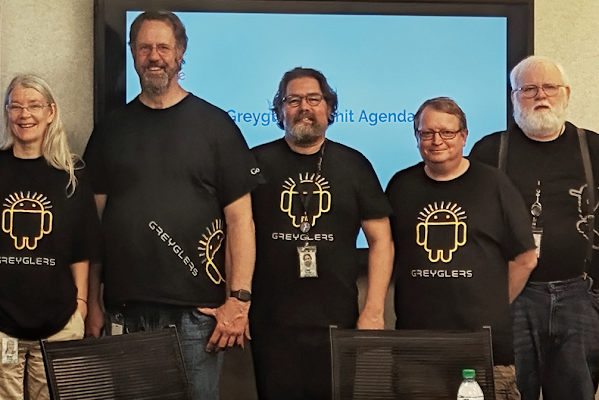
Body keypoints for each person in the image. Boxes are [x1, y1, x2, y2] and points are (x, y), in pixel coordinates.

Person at [83, 11, 260, 400]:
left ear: (180, 53)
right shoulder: (111, 129)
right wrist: (92, 302)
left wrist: (239, 300)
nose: (154, 56)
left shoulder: (217, 126)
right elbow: (92, 228)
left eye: (163, 46)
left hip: (198, 316)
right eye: (144, 47)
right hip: (126, 313)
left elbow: (241, 221)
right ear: (132, 54)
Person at [249, 67, 394, 399]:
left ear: (329, 108)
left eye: (314, 98)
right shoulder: (255, 163)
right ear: (279, 110)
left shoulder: (355, 165)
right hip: (271, 323)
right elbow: (235, 234)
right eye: (293, 99)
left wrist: (373, 310)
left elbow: (381, 240)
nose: (304, 107)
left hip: (337, 322)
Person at [387, 97, 537, 399]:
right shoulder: (400, 186)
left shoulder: (494, 184)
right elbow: (386, 250)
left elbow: (526, 258)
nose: (436, 141)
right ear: (417, 137)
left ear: (464, 136)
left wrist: (492, 302)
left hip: (484, 346)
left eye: (447, 132)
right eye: (426, 133)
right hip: (417, 348)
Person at [470, 55, 599, 400]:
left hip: (580, 297)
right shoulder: (488, 150)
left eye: (549, 87)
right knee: (510, 391)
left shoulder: (594, 148)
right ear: (513, 97)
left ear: (566, 94)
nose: (540, 95)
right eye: (528, 89)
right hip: (512, 297)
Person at [0, 74, 100, 399]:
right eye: (15, 107)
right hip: (2, 326)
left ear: (51, 112)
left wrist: (82, 306)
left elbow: (82, 249)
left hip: (59, 322)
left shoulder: (72, 176)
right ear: (7, 114)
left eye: (33, 106)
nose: (24, 115)